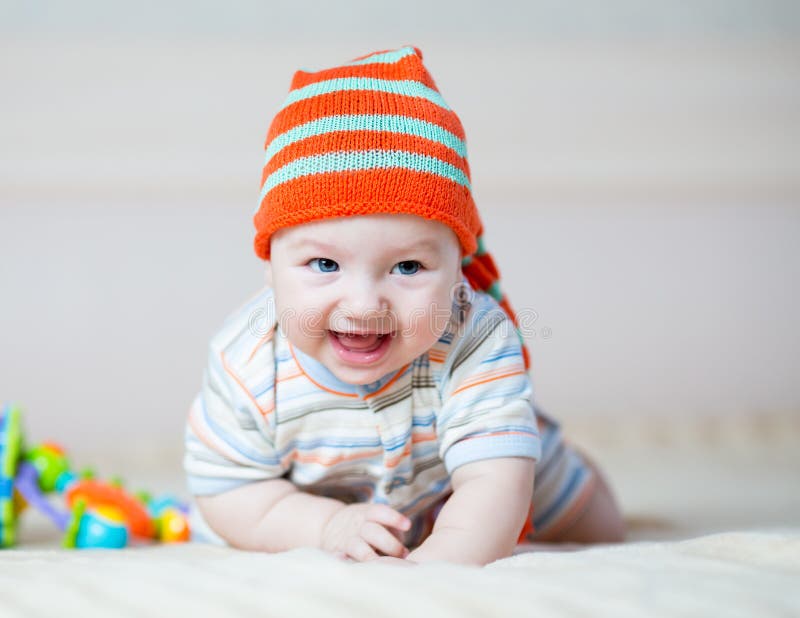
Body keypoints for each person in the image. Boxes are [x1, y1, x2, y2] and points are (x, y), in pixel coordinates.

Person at [183, 46, 625, 566]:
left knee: (602, 523)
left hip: (466, 467)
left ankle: (547, 443)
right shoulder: (247, 363)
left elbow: (492, 484)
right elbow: (226, 492)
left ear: (460, 264)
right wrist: (326, 525)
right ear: (269, 265)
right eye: (325, 265)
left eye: (408, 268)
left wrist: (432, 571)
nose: (365, 304)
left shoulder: (474, 337)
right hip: (307, 496)